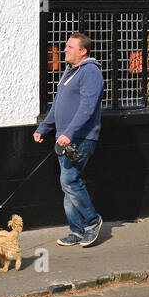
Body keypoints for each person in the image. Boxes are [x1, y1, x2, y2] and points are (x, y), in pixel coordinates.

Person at [33, 32, 104, 247]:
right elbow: (58, 105)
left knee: (69, 180)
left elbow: (87, 108)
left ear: (82, 51)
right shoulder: (70, 72)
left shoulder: (90, 72)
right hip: (65, 137)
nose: (65, 49)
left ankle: (92, 221)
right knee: (68, 184)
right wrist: (43, 128)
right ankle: (76, 230)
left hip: (81, 138)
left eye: (70, 47)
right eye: (66, 46)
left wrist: (69, 132)